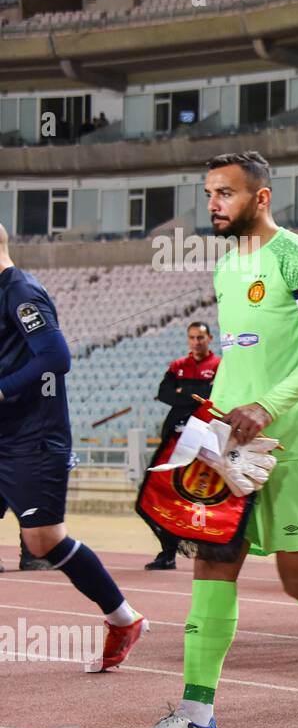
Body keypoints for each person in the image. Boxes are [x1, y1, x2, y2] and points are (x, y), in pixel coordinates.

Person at [116, 151, 298, 728]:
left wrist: (268, 406)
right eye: (209, 193)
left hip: (297, 442)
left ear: (260, 198)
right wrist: (212, 426)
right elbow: (241, 357)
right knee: (212, 566)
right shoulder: (226, 267)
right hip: (230, 447)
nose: (213, 204)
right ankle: (195, 715)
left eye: (226, 194)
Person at [0, 221, 147, 672]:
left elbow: (56, 357)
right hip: (4, 434)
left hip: (34, 437)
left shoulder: (21, 291)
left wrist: (3, 389)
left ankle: (124, 619)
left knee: (43, 540)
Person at [146, 321, 220, 570]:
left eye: (200, 337)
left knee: (202, 495)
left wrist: (183, 394)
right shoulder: (177, 366)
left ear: (209, 338)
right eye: (192, 337)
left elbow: (215, 397)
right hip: (173, 437)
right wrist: (197, 395)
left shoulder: (219, 366)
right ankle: (168, 551)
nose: (196, 341)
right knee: (160, 494)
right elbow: (164, 394)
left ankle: (209, 550)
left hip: (205, 438)